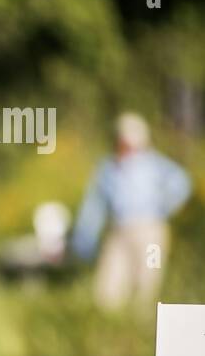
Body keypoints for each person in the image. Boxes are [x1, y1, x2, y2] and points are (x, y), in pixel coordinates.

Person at [71, 113, 193, 311]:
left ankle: (143, 330)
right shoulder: (108, 168)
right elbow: (93, 206)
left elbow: (182, 183)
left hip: (151, 232)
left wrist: (162, 207)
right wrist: (85, 239)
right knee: (107, 289)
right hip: (119, 231)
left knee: (148, 280)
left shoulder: (154, 163)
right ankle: (110, 330)